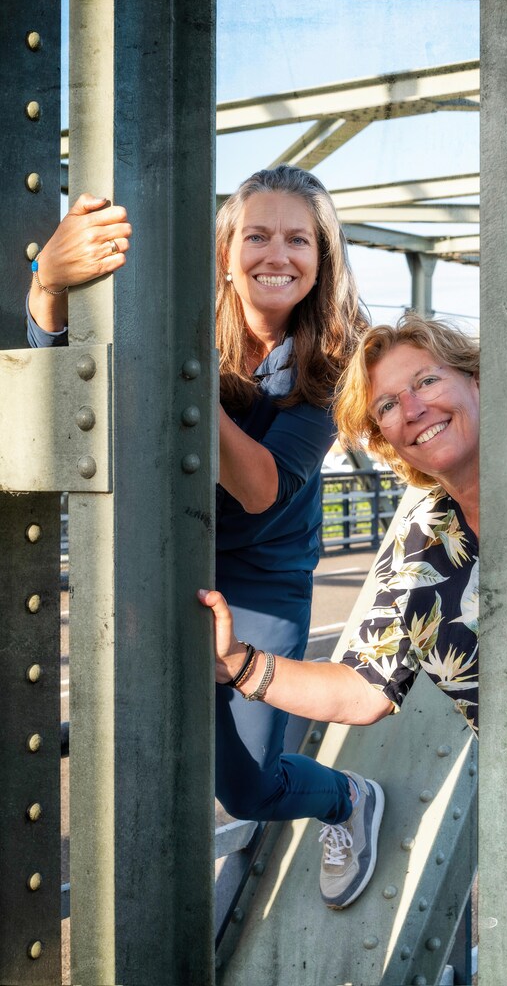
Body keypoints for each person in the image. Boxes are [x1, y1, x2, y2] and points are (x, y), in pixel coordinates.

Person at [200, 314, 507, 983]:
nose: (414, 408)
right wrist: (242, 667)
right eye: (387, 407)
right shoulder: (419, 549)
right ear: (387, 441)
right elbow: (362, 690)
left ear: (476, 378)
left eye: (426, 380)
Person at [25, 165, 382, 911]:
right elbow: (71, 376)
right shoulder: (181, 315)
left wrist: (179, 380)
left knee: (248, 785)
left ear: (322, 260)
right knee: (130, 738)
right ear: (225, 252)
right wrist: (47, 286)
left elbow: (259, 489)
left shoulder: (336, 359)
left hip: (261, 573)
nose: (275, 254)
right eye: (255, 235)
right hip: (157, 552)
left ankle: (347, 797)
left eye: (298, 239)